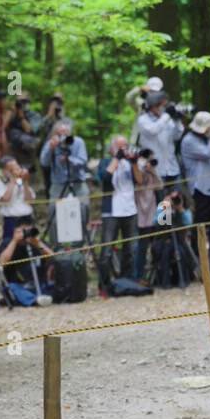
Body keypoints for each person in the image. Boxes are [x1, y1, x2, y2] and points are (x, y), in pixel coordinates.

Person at [97, 135, 142, 294]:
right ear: (112, 148)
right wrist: (117, 158)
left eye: (125, 146)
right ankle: (104, 284)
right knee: (107, 250)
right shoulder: (105, 162)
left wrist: (135, 162)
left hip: (129, 209)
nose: (123, 149)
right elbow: (104, 178)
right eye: (120, 147)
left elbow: (140, 180)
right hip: (111, 211)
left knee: (130, 249)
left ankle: (126, 281)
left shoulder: (130, 164)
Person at [40, 120, 89, 243]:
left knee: (83, 212)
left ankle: (79, 247)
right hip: (58, 183)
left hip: (78, 183)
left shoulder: (78, 142)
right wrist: (50, 149)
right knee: (53, 214)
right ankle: (55, 246)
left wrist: (69, 160)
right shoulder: (51, 143)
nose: (63, 137)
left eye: (66, 133)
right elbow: (43, 163)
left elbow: (83, 162)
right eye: (60, 134)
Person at [180, 111, 210, 228]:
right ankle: (198, 246)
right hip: (199, 188)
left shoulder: (207, 139)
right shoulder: (189, 140)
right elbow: (207, 153)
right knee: (200, 223)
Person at [135, 90, 184, 195]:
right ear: (153, 105)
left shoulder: (167, 119)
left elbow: (177, 136)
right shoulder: (143, 120)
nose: (164, 108)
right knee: (162, 206)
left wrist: (177, 120)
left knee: (177, 202)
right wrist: (167, 116)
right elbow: (153, 130)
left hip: (172, 168)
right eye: (163, 105)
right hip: (156, 171)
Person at [0, 215, 55, 305]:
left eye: (29, 230)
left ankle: (37, 298)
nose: (26, 234)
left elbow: (53, 258)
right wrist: (14, 241)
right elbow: (1, 263)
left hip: (39, 284)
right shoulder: (8, 243)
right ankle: (34, 300)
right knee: (11, 288)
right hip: (19, 285)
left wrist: (37, 243)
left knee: (54, 285)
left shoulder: (37, 243)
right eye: (23, 231)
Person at [0, 156, 35, 242]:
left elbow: (30, 200)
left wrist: (25, 182)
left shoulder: (22, 181)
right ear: (4, 171)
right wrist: (12, 180)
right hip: (11, 220)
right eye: (12, 169)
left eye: (17, 167)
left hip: (27, 218)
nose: (16, 171)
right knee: (11, 244)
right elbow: (5, 199)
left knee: (31, 244)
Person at [134, 149, 163, 281]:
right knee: (139, 246)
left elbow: (160, 186)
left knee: (149, 245)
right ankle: (137, 275)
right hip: (138, 211)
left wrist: (152, 171)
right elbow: (138, 181)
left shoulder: (151, 171)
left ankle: (148, 276)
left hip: (151, 211)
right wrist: (142, 168)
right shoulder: (136, 167)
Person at [5, 92, 43, 165]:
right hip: (12, 150)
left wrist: (21, 117)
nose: (22, 104)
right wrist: (11, 112)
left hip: (29, 148)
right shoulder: (11, 114)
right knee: (14, 132)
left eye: (24, 101)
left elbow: (29, 130)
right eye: (19, 102)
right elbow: (3, 128)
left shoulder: (35, 115)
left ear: (29, 102)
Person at [125, 76, 163, 143]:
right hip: (139, 142)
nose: (153, 94)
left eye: (155, 92)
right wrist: (139, 90)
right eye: (151, 91)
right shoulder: (141, 104)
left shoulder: (163, 107)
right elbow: (129, 98)